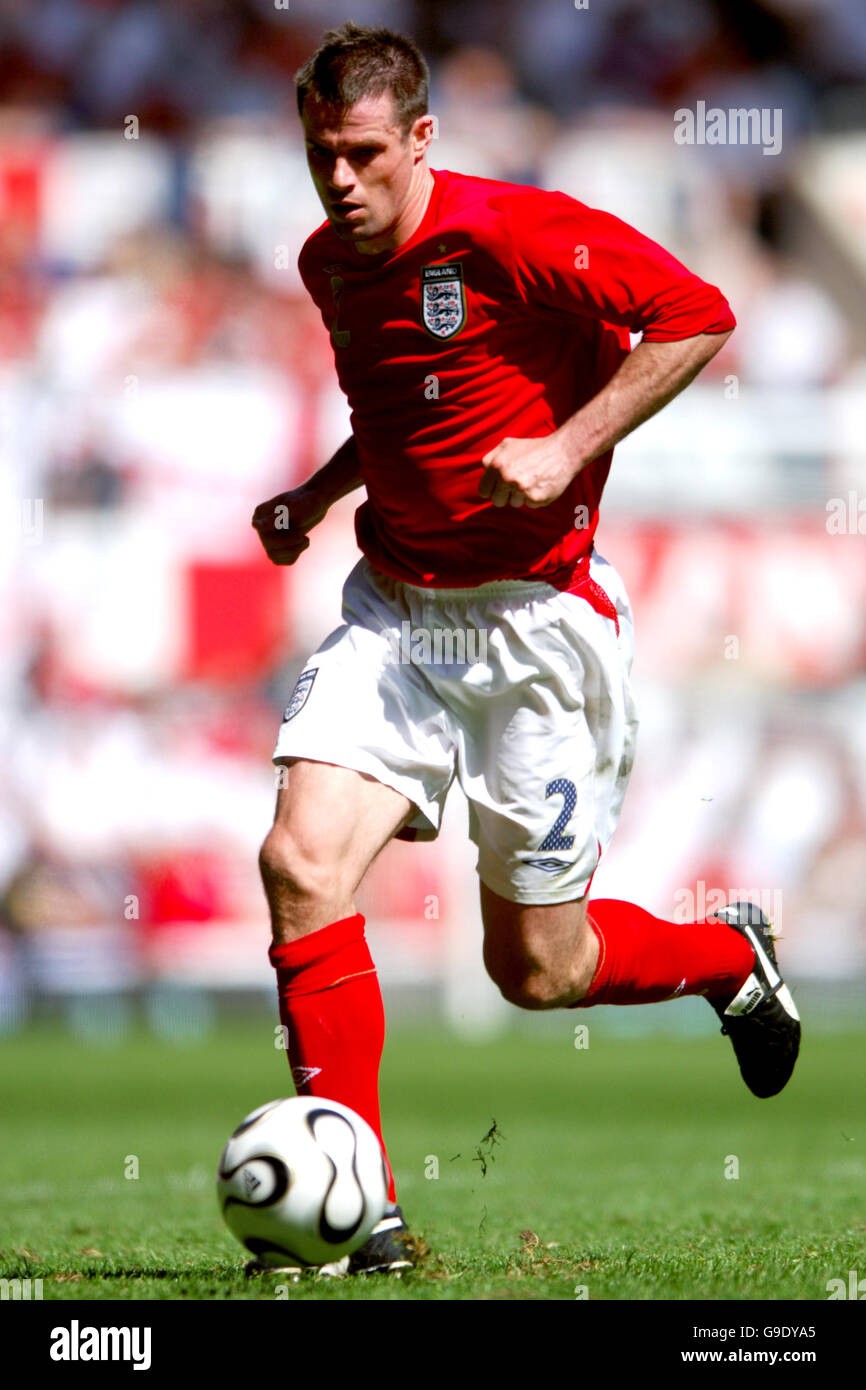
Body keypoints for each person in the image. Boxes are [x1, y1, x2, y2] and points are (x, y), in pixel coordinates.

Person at [251, 22, 800, 1277]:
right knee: (297, 862)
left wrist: (563, 451)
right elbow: (400, 408)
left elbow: (693, 314)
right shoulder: (327, 264)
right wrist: (320, 493)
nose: (340, 182)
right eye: (319, 155)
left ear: (420, 139)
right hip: (394, 606)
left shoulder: (513, 231)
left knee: (537, 973)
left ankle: (730, 960)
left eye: (363, 155)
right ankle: (361, 1208)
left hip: (537, 623)